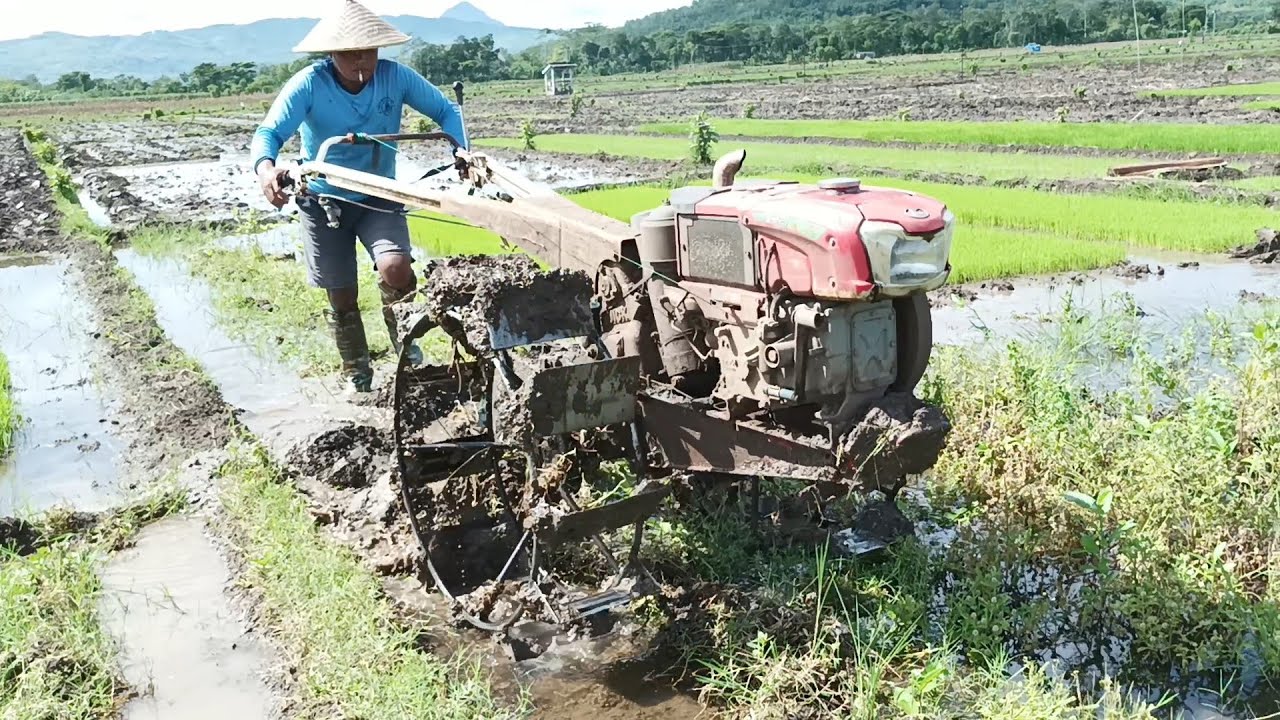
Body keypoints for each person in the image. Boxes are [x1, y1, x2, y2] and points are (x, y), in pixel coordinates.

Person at [250, 0, 468, 392]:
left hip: (378, 194)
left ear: (379, 49)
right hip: (324, 199)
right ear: (331, 54)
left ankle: (408, 351)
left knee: (396, 267)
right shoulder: (309, 84)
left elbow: (446, 110)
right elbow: (268, 134)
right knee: (342, 294)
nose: (360, 61)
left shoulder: (394, 78)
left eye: (367, 50)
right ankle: (357, 372)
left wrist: (461, 149)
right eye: (349, 53)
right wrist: (267, 168)